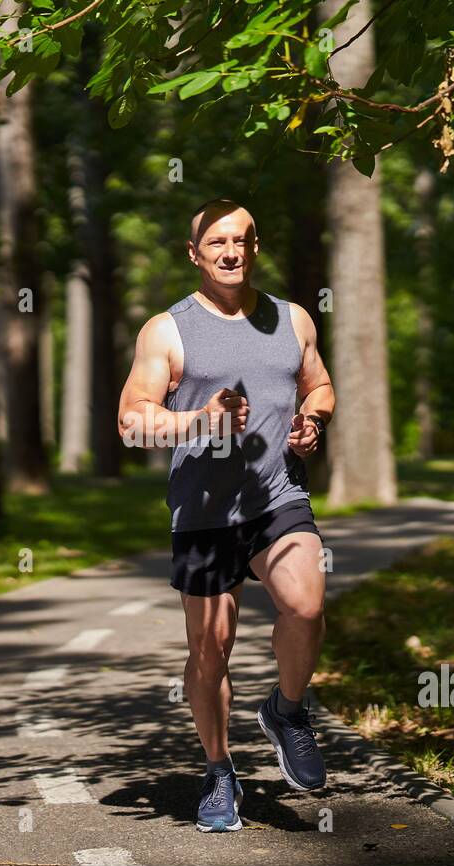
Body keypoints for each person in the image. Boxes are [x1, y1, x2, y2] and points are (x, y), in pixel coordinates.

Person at [117, 199, 337, 832]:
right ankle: (219, 772)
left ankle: (287, 710)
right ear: (196, 254)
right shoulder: (168, 330)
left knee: (305, 605)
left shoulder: (292, 319)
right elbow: (132, 421)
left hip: (277, 496)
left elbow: (318, 384)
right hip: (204, 512)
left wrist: (310, 420)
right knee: (210, 649)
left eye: (240, 240)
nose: (229, 251)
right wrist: (197, 420)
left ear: (255, 246)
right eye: (216, 242)